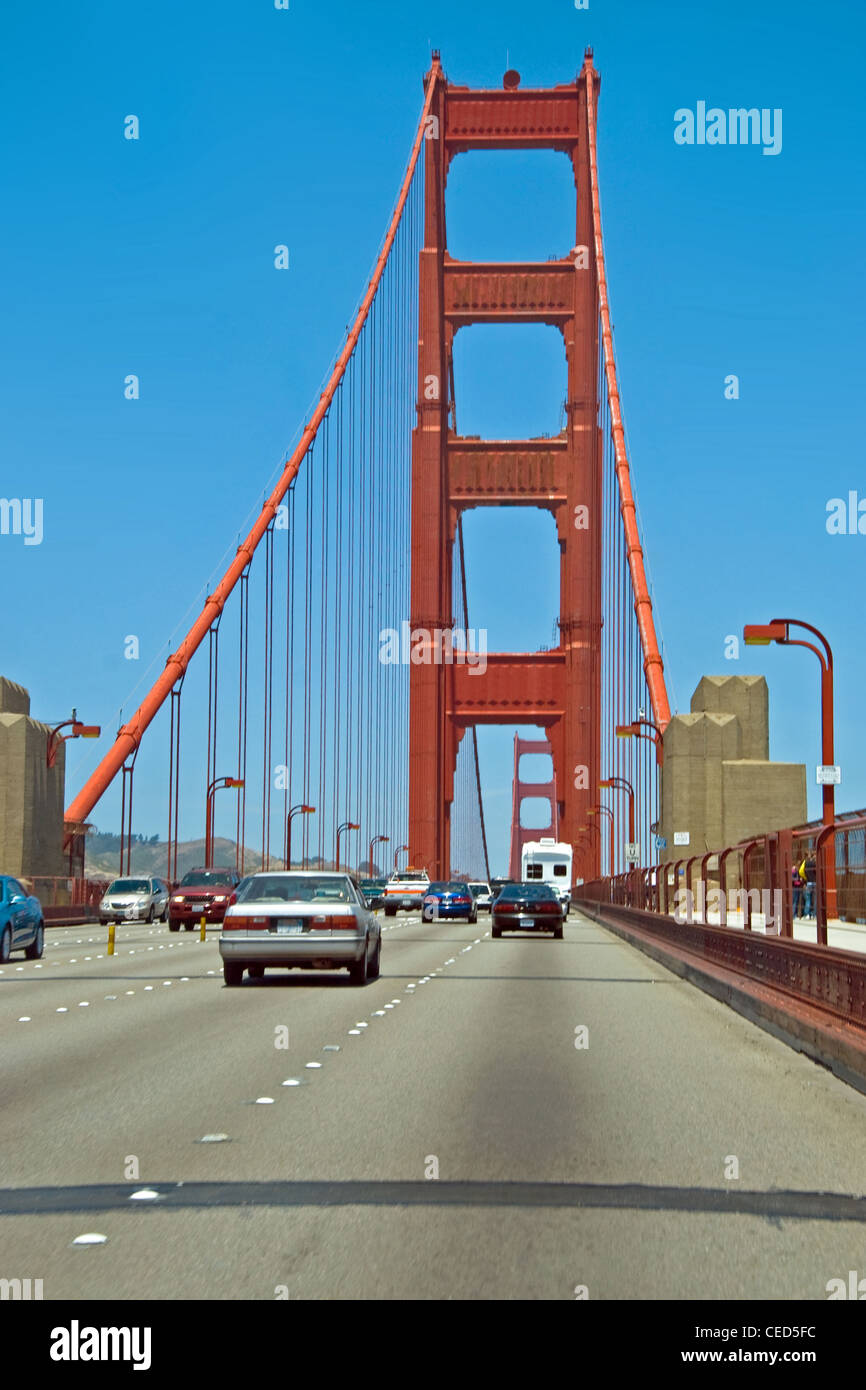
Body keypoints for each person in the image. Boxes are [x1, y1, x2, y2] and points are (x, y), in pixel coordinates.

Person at [803, 852, 817, 919]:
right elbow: (816, 872)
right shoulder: (814, 864)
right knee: (815, 899)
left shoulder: (806, 863)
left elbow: (804, 872)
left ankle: (807, 914)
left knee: (808, 899)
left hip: (808, 883)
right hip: (814, 882)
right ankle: (814, 914)